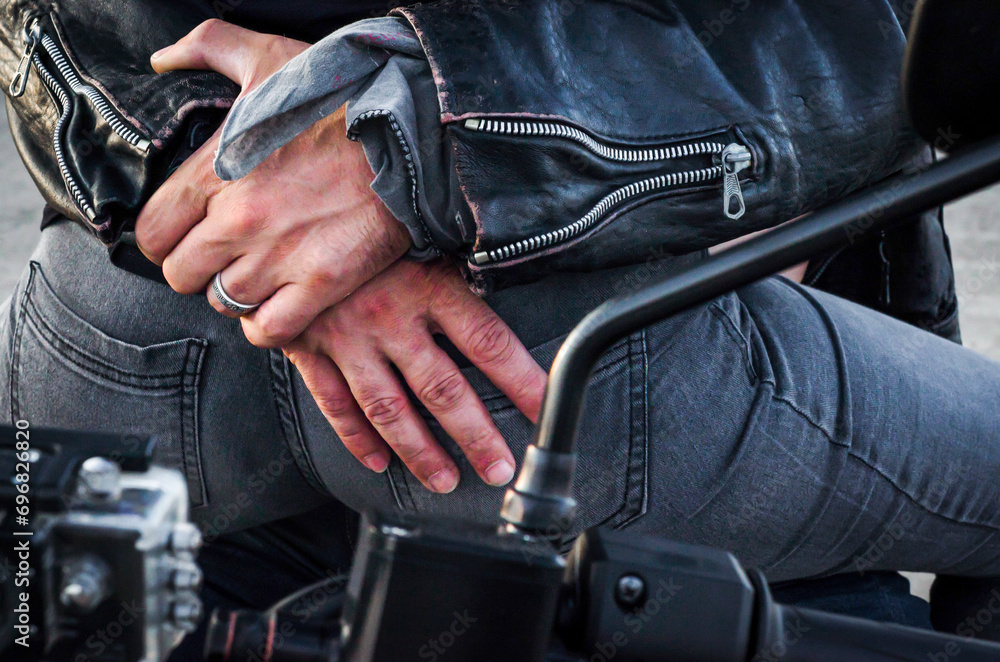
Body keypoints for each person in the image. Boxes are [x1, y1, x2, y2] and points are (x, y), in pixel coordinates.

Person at [1, 1, 996, 657]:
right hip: (551, 353)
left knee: (75, 584)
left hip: (136, 303)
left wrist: (216, 160)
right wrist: (400, 161)